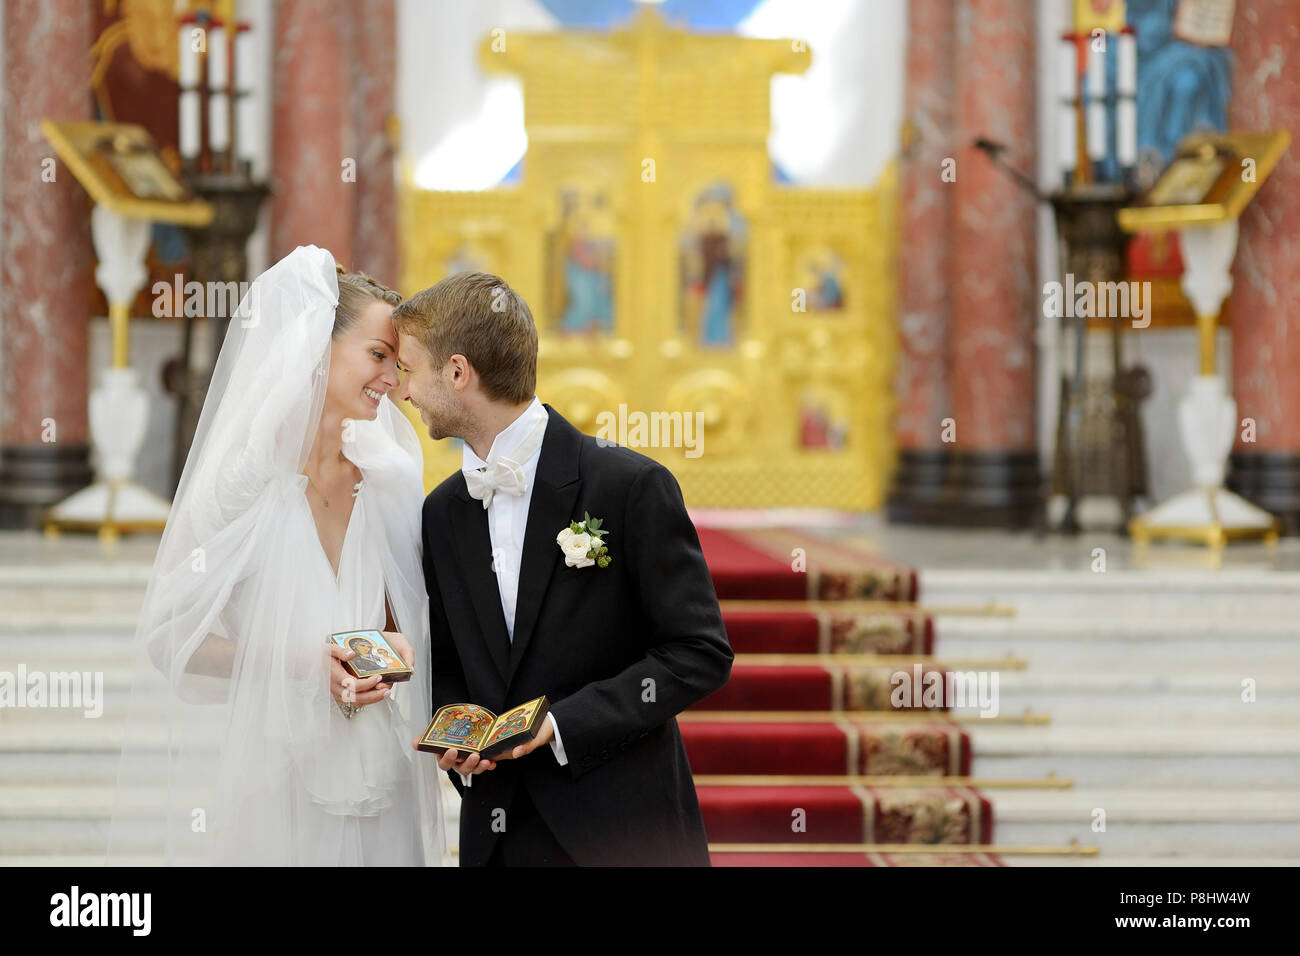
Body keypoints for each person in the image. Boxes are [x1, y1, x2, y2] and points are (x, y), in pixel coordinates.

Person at [107, 245, 448, 866]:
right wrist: (302, 663)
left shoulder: (392, 474)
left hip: (383, 773)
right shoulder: (241, 484)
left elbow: (402, 610)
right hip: (279, 776)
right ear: (316, 344)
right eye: (378, 356)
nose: (393, 381)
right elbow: (171, 637)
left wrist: (400, 645)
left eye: (398, 365)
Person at [393, 271, 733, 866]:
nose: (404, 392)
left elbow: (698, 651)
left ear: (456, 371)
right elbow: (448, 663)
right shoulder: (442, 511)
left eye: (410, 370)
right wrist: (458, 732)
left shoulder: (630, 487)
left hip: (623, 831)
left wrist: (563, 725)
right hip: (498, 837)